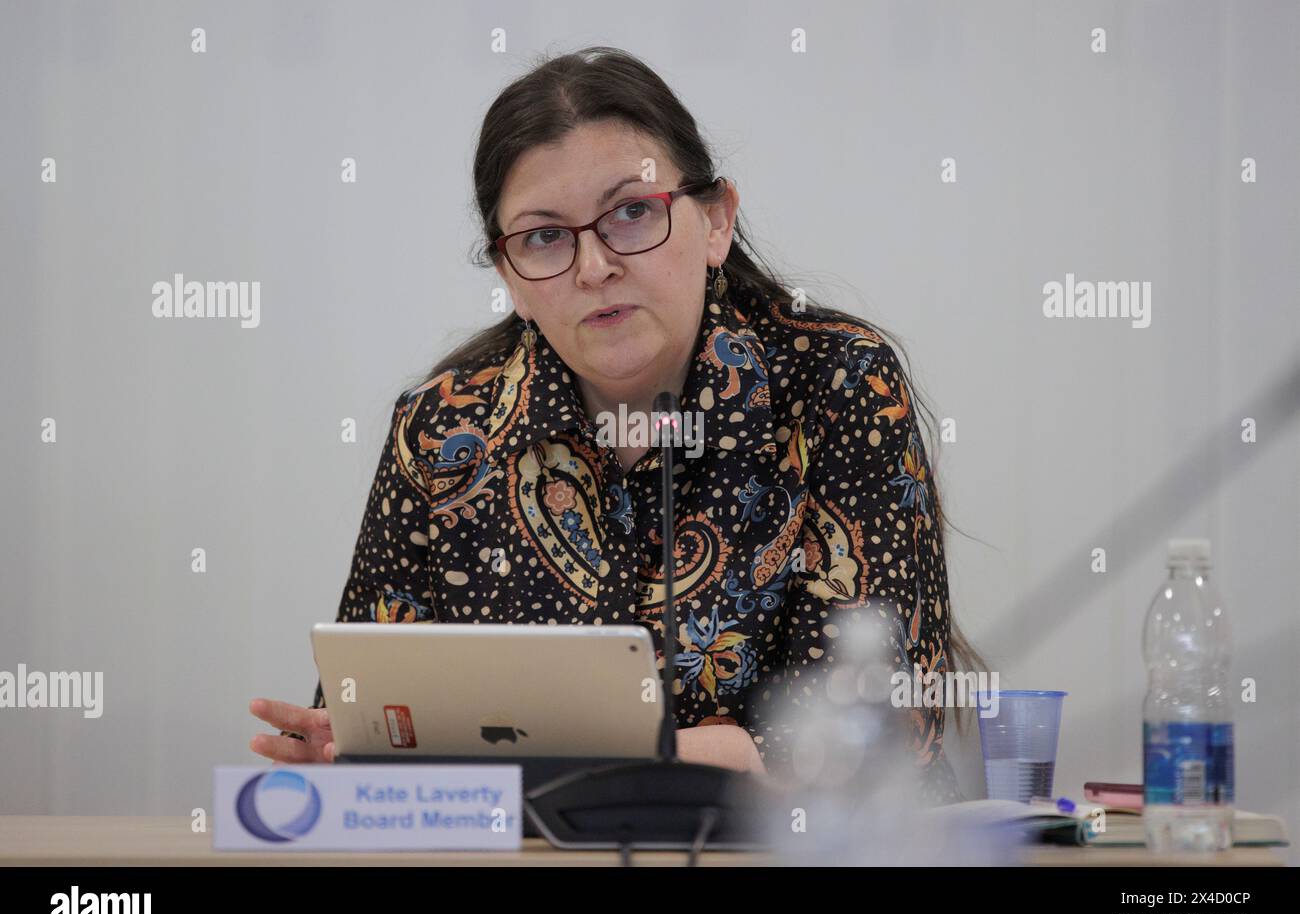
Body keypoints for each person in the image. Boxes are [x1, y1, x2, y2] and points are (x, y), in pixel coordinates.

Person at [250, 46, 986, 804]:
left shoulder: (837, 383)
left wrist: (533, 759)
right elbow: (374, 721)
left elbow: (875, 723)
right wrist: (342, 757)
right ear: (509, 279)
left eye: (632, 212)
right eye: (544, 237)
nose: (594, 265)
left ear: (716, 222)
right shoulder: (443, 433)